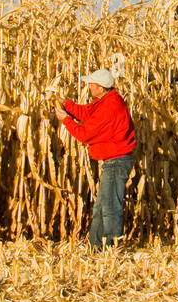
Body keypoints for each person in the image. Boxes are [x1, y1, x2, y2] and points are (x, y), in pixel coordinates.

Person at [53, 68, 136, 249]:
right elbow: (86, 114)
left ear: (101, 87)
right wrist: (65, 103)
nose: (88, 86)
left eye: (92, 84)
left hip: (117, 161)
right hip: (113, 161)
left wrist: (66, 120)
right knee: (101, 207)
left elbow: (85, 134)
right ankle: (95, 247)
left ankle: (112, 248)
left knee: (110, 207)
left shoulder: (110, 107)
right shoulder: (105, 101)